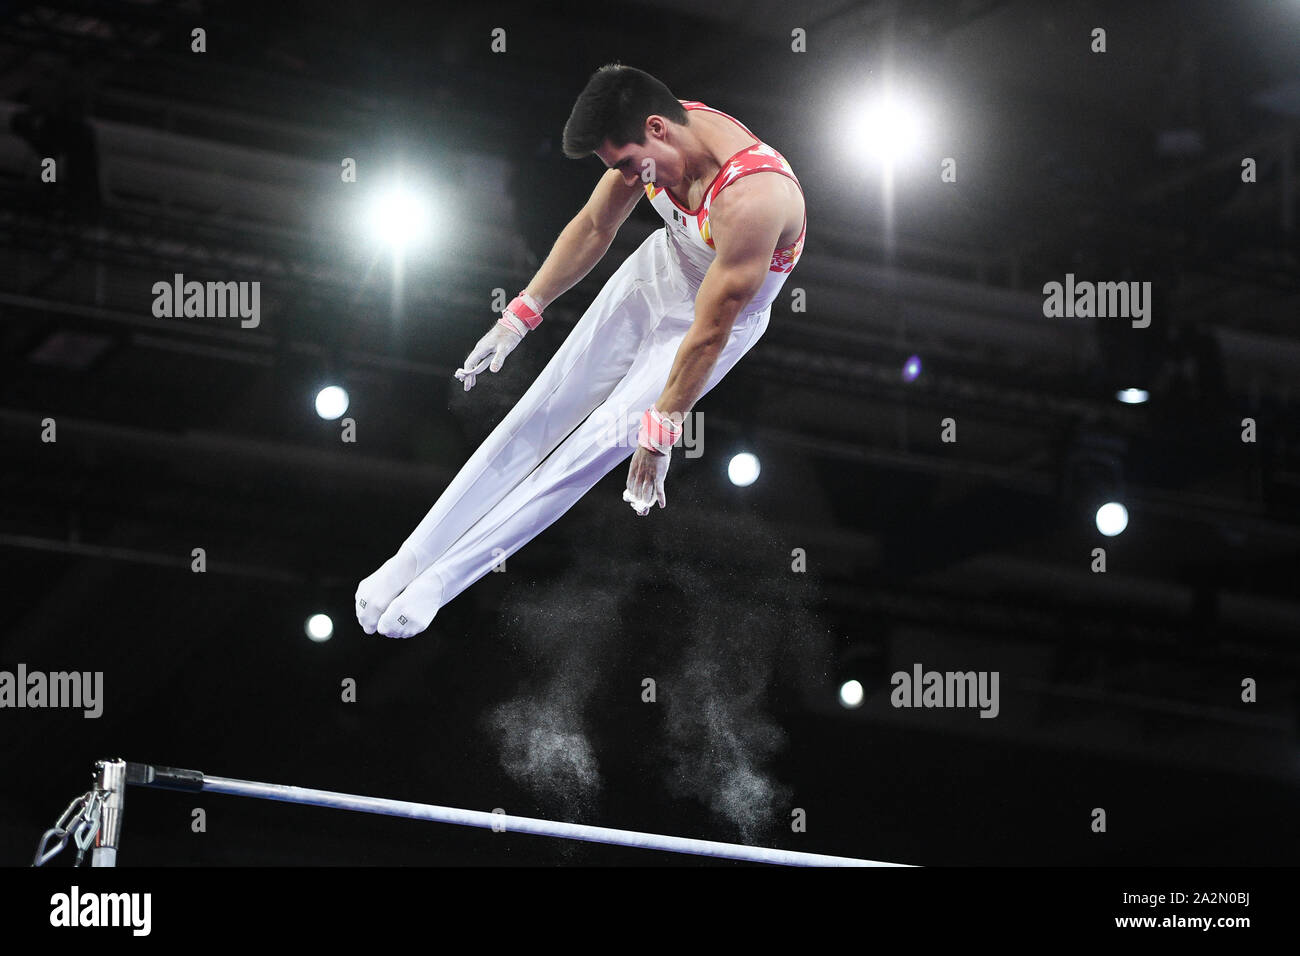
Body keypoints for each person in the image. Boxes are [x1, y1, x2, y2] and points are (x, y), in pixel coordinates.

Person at [355, 63, 806, 638]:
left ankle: (443, 581)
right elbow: (595, 225)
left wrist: (662, 427)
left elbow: (710, 330)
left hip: (715, 325)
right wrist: (520, 315)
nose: (623, 176)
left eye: (623, 163)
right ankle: (412, 558)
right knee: (541, 410)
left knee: (592, 448)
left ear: (657, 129)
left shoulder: (753, 198)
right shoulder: (656, 137)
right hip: (658, 271)